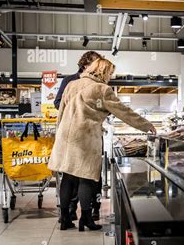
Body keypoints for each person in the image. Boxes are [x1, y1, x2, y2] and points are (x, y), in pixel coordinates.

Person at [48, 57, 156, 231]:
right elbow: (124, 112)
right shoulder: (102, 89)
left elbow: (61, 111)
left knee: (67, 177)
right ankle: (86, 218)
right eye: (110, 73)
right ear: (103, 71)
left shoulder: (71, 85)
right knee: (86, 177)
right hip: (85, 137)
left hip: (65, 136)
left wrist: (59, 134)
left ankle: (65, 218)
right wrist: (146, 125)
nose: (111, 77)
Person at [54, 51, 101, 222]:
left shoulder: (97, 83)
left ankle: (88, 212)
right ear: (85, 65)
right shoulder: (69, 81)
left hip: (78, 134)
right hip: (81, 134)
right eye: (96, 64)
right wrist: (78, 111)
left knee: (79, 177)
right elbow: (58, 102)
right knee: (82, 177)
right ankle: (75, 214)